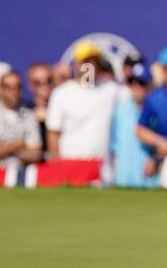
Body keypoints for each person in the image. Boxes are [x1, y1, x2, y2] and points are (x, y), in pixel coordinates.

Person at [46, 41, 122, 176]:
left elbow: (137, 95)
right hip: (71, 167)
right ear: (76, 63)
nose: (90, 65)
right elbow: (53, 133)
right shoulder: (61, 93)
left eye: (94, 60)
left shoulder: (111, 90)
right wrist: (56, 168)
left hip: (102, 171)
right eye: (86, 61)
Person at [0, 70, 42, 180]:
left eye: (17, 87)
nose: (14, 91)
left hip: (21, 177)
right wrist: (18, 145)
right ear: (0, 90)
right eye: (9, 87)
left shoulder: (29, 116)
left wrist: (0, 147)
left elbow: (35, 155)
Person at [110, 62, 159, 188]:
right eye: (132, 83)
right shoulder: (120, 110)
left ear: (149, 86)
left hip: (148, 179)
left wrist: (156, 160)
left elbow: (162, 143)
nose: (136, 87)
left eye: (141, 83)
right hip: (123, 177)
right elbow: (114, 145)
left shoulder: (157, 111)